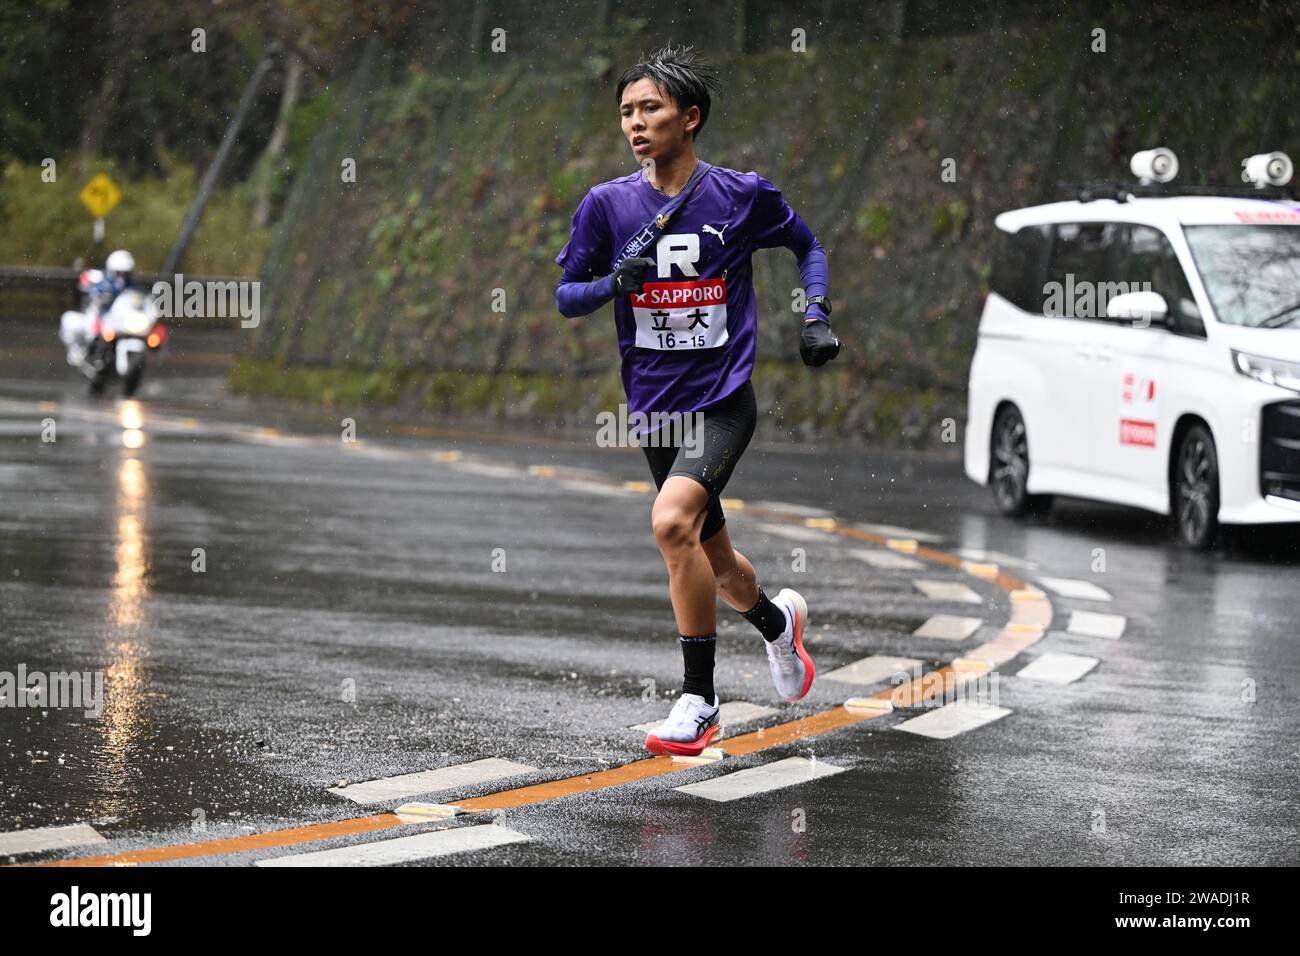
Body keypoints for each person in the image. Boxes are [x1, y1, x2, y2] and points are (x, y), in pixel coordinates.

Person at [554, 44, 842, 756]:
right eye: (626, 111)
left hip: (721, 400)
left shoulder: (739, 195)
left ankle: (699, 701)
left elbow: (809, 248)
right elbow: (566, 298)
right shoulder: (608, 205)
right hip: (657, 407)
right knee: (714, 562)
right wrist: (611, 285)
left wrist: (815, 313)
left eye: (649, 108)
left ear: (690, 118)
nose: (634, 123)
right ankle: (778, 625)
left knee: (669, 520)